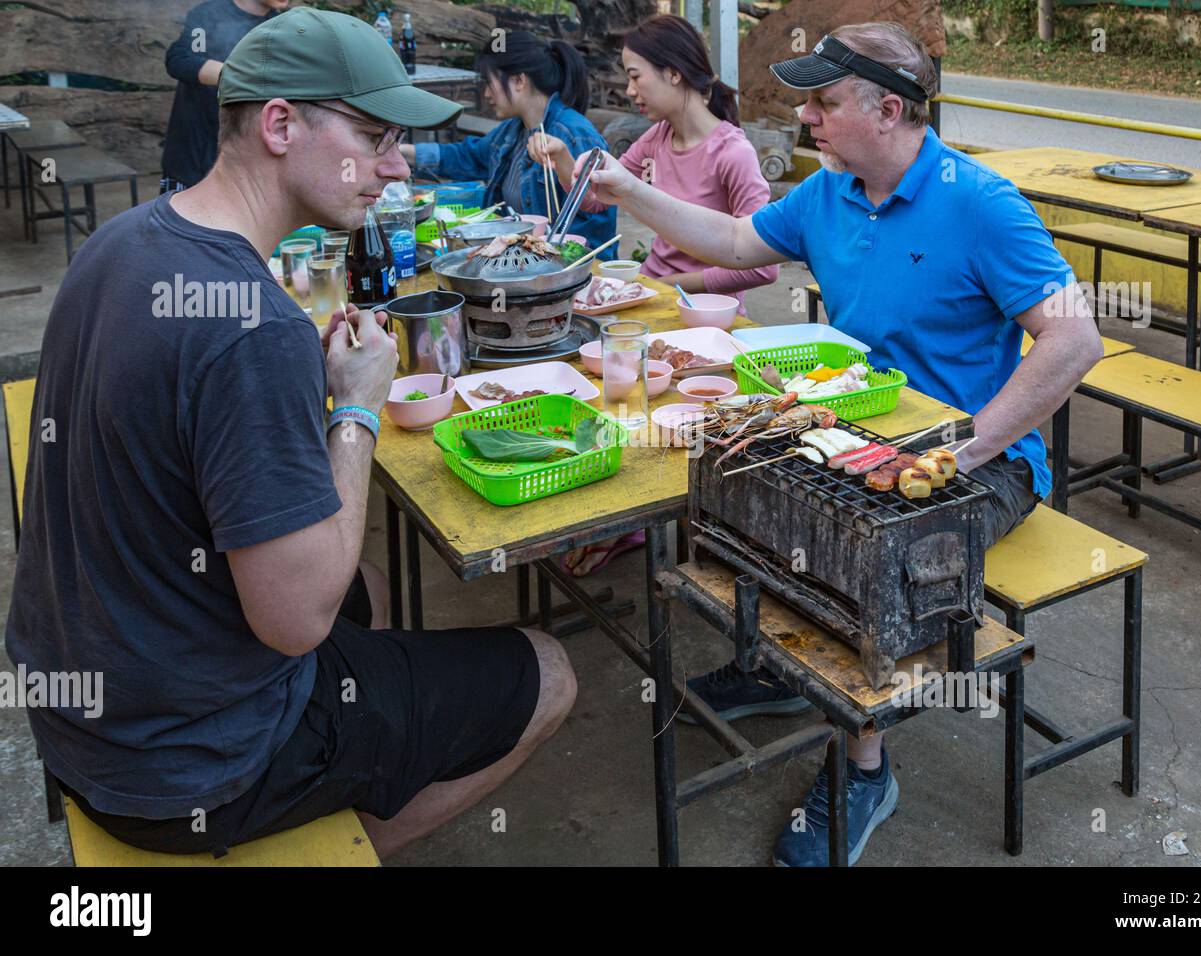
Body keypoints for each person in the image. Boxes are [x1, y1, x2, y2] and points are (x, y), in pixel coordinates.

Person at [5, 8, 575, 860]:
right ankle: (334, 841)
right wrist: (356, 409)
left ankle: (347, 767)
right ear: (279, 124)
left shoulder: (121, 241)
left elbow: (186, 420)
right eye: (374, 137)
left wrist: (294, 386)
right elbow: (296, 620)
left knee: (372, 587)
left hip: (83, 707)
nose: (393, 167)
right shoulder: (254, 328)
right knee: (551, 670)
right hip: (187, 762)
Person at [575, 22, 1104, 867]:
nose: (805, 115)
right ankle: (770, 665)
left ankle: (864, 768)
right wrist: (625, 190)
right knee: (733, 480)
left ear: (887, 108)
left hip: (980, 460)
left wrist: (962, 452)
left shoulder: (980, 203)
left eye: (823, 100)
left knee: (858, 546)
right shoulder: (831, 191)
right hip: (854, 426)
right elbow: (742, 244)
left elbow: (1075, 342)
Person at [527, 14, 778, 311]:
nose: (630, 90)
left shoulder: (733, 154)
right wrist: (562, 157)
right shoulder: (657, 138)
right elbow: (595, 201)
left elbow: (762, 267)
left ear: (673, 73)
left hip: (702, 312)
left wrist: (670, 284)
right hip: (651, 294)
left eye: (635, 76)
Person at [399, 31, 617, 256]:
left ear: (518, 80)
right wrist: (405, 152)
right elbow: (468, 155)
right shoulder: (512, 131)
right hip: (521, 262)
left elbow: (596, 232)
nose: (486, 93)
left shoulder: (575, 135)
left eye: (489, 83)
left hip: (561, 270)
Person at [159, 0, 292, 194]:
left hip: (249, 164)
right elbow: (182, 59)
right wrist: (242, 76)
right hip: (195, 158)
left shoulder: (281, 24)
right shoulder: (208, 15)